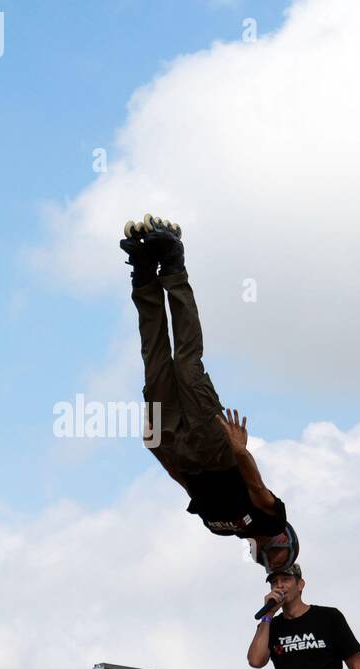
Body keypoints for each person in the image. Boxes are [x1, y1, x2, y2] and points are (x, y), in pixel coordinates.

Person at [120, 214, 298, 572]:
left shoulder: (219, 529)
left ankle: (142, 273)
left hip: (177, 449)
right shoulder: (272, 519)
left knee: (154, 363)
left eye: (270, 559)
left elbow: (185, 484)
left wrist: (155, 448)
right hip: (215, 448)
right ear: (289, 538)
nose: (272, 551)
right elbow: (257, 487)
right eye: (281, 552)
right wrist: (239, 450)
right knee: (187, 365)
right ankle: (172, 264)